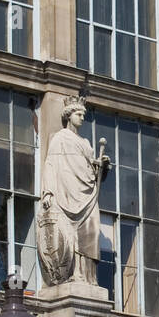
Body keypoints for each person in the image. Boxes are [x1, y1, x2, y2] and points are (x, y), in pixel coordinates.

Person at [37, 96, 111, 286]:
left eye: (83, 114)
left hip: (87, 193)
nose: (82, 118)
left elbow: (94, 173)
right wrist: (48, 192)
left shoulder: (86, 143)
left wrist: (102, 167)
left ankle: (88, 276)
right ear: (69, 116)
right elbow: (51, 164)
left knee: (91, 232)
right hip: (66, 192)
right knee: (69, 235)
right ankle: (72, 273)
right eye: (79, 114)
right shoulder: (60, 138)